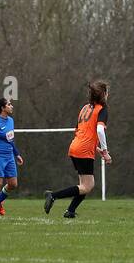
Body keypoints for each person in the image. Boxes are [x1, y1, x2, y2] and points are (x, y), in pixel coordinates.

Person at [45, 81, 111, 220]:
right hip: (84, 150)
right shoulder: (102, 109)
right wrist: (105, 151)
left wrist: (98, 149)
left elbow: (80, 131)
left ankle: (70, 211)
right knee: (87, 186)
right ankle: (53, 195)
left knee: (84, 184)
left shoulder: (85, 108)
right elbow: (99, 130)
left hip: (75, 146)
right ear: (103, 94)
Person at [0, 98, 22, 215]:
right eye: (9, 104)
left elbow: (10, 139)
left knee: (13, 184)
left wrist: (16, 154)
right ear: (3, 108)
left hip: (9, 155)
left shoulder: (11, 120)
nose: (11, 106)